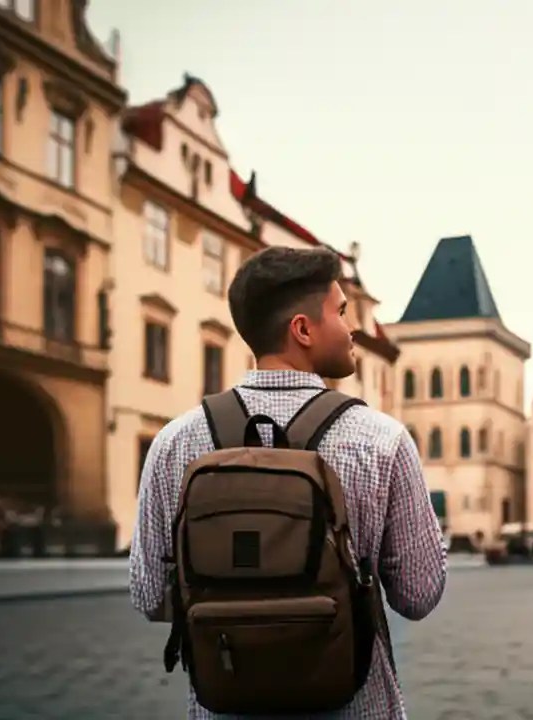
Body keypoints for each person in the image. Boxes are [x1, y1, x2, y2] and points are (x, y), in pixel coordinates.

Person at [129, 245, 448, 719]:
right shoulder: (381, 440)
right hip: (353, 705)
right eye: (341, 312)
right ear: (302, 329)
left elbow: (150, 595)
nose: (352, 327)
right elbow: (418, 595)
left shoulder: (174, 442)